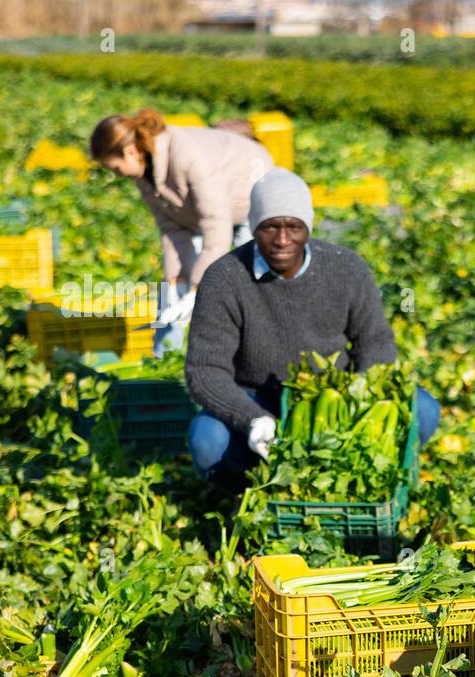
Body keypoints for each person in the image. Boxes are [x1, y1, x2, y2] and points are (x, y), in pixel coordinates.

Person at [184, 168, 440, 490]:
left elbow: (375, 344)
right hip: (258, 400)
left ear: (309, 227)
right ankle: (245, 493)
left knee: (425, 410)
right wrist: (251, 419)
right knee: (209, 440)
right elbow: (205, 370)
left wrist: (358, 398)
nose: (282, 240)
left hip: (335, 394)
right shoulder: (225, 278)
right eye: (269, 227)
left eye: (294, 227)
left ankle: (385, 485)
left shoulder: (346, 268)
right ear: (252, 227)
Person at [89, 108, 274, 355]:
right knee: (173, 291)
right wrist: (177, 279)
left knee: (245, 276)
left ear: (130, 152)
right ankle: (163, 359)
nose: (116, 174)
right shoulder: (144, 175)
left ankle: (248, 357)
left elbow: (215, 224)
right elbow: (172, 229)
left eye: (115, 167)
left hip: (251, 187)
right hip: (210, 209)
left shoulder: (187, 156)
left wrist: (199, 286)